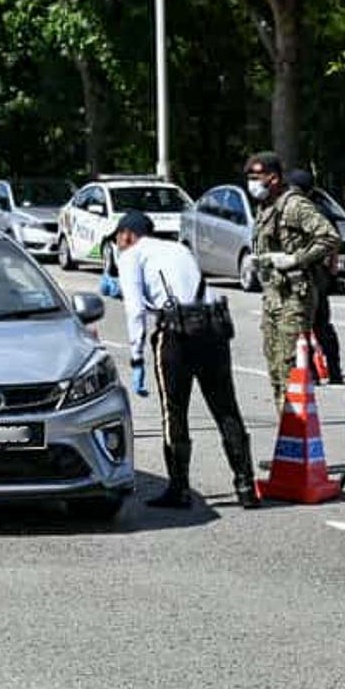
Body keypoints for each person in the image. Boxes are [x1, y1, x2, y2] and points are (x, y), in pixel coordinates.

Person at [114, 210, 260, 509]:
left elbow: (134, 311)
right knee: (226, 407)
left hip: (176, 334)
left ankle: (179, 489)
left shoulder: (130, 256)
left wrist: (137, 357)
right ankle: (246, 485)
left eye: (117, 238)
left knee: (174, 411)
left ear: (127, 234)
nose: (117, 244)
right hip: (212, 328)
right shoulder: (178, 248)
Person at [245, 153, 340, 404]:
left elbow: (329, 237)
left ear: (273, 178)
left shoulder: (295, 205)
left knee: (290, 367)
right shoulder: (266, 207)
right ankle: (284, 429)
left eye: (256, 178)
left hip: (294, 297)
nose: (252, 183)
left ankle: (296, 431)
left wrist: (296, 259)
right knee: (275, 366)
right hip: (273, 296)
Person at [308, 187, 344, 385]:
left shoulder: (301, 211)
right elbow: (335, 244)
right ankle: (334, 370)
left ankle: (312, 373)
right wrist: (332, 270)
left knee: (304, 327)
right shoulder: (324, 211)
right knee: (323, 326)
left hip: (306, 273)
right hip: (321, 275)